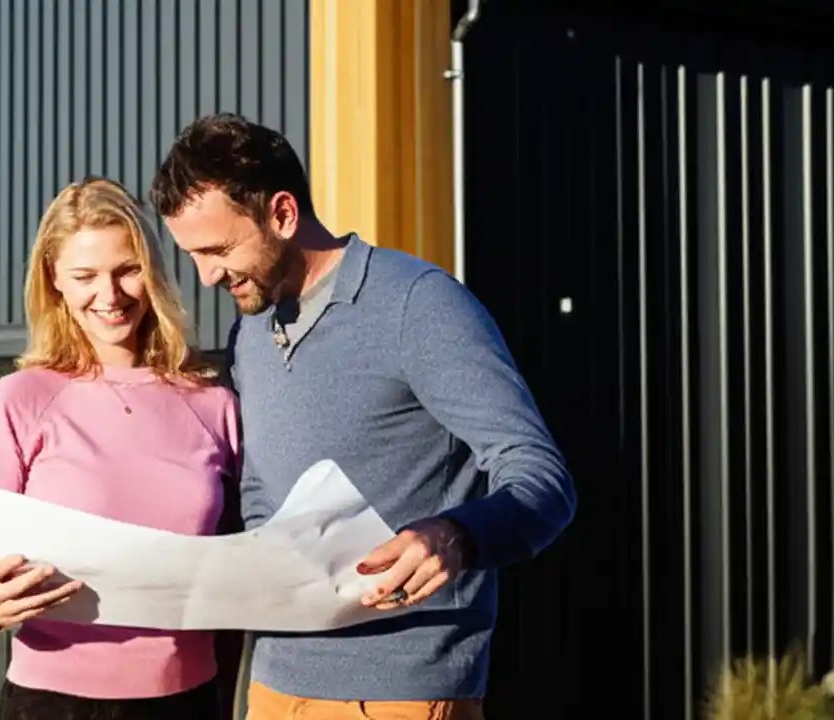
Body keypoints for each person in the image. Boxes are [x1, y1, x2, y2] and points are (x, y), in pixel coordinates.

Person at [149, 114, 577, 719]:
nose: (207, 275)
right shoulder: (249, 328)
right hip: (274, 683)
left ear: (283, 215)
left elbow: (543, 480)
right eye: (192, 254)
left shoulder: (417, 304)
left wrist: (456, 535)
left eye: (218, 249)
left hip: (398, 690)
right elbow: (262, 491)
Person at [0, 177, 243, 720]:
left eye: (128, 271)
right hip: (54, 704)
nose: (110, 296)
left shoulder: (213, 403)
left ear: (153, 272)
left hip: (189, 701)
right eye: (85, 276)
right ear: (54, 280)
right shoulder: (18, 402)